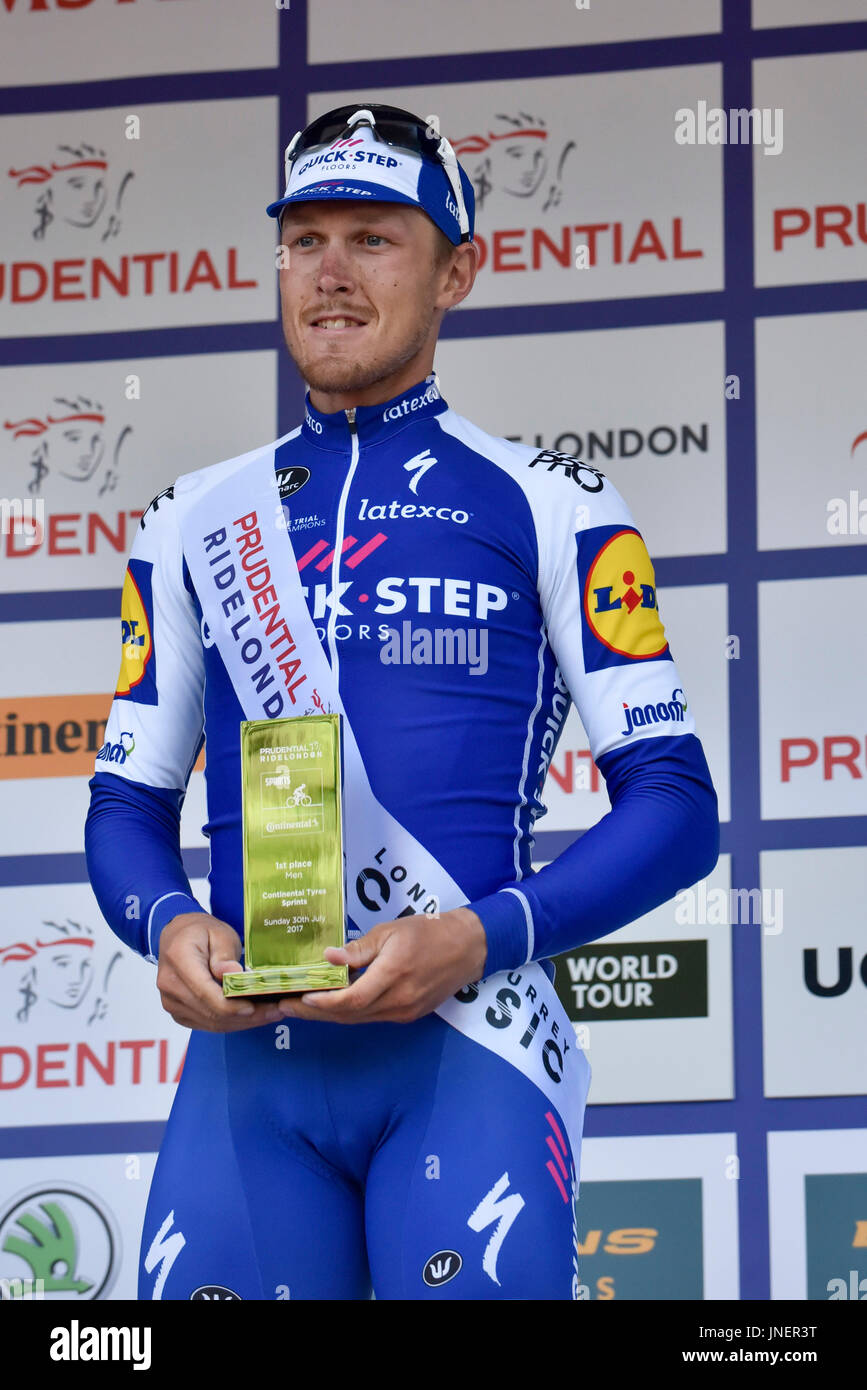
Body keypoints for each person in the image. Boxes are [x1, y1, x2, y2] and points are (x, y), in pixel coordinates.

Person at [85, 103, 718, 1301]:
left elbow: (678, 807)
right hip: (248, 1079)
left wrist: (479, 935)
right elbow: (124, 802)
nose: (328, 273)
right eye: (304, 237)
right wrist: (169, 924)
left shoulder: (557, 504)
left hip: (468, 1049)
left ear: (456, 271)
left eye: (373, 238)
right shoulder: (190, 522)